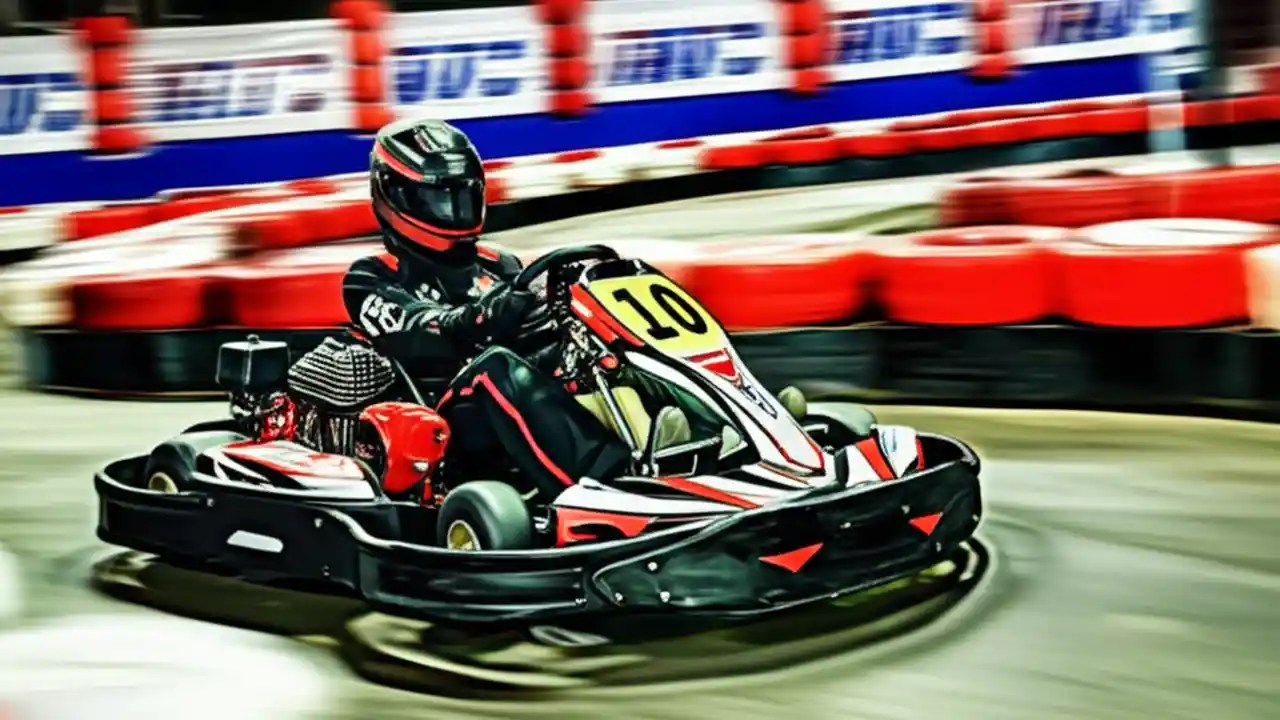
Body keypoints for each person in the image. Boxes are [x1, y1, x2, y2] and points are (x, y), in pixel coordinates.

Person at [341, 118, 694, 500]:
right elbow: (424, 330)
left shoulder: (499, 263)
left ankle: (701, 443)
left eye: (465, 195)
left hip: (519, 400)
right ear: (396, 196)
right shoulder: (371, 277)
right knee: (496, 367)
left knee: (599, 348)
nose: (457, 209)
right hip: (448, 424)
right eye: (442, 197)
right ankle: (609, 482)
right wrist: (491, 313)